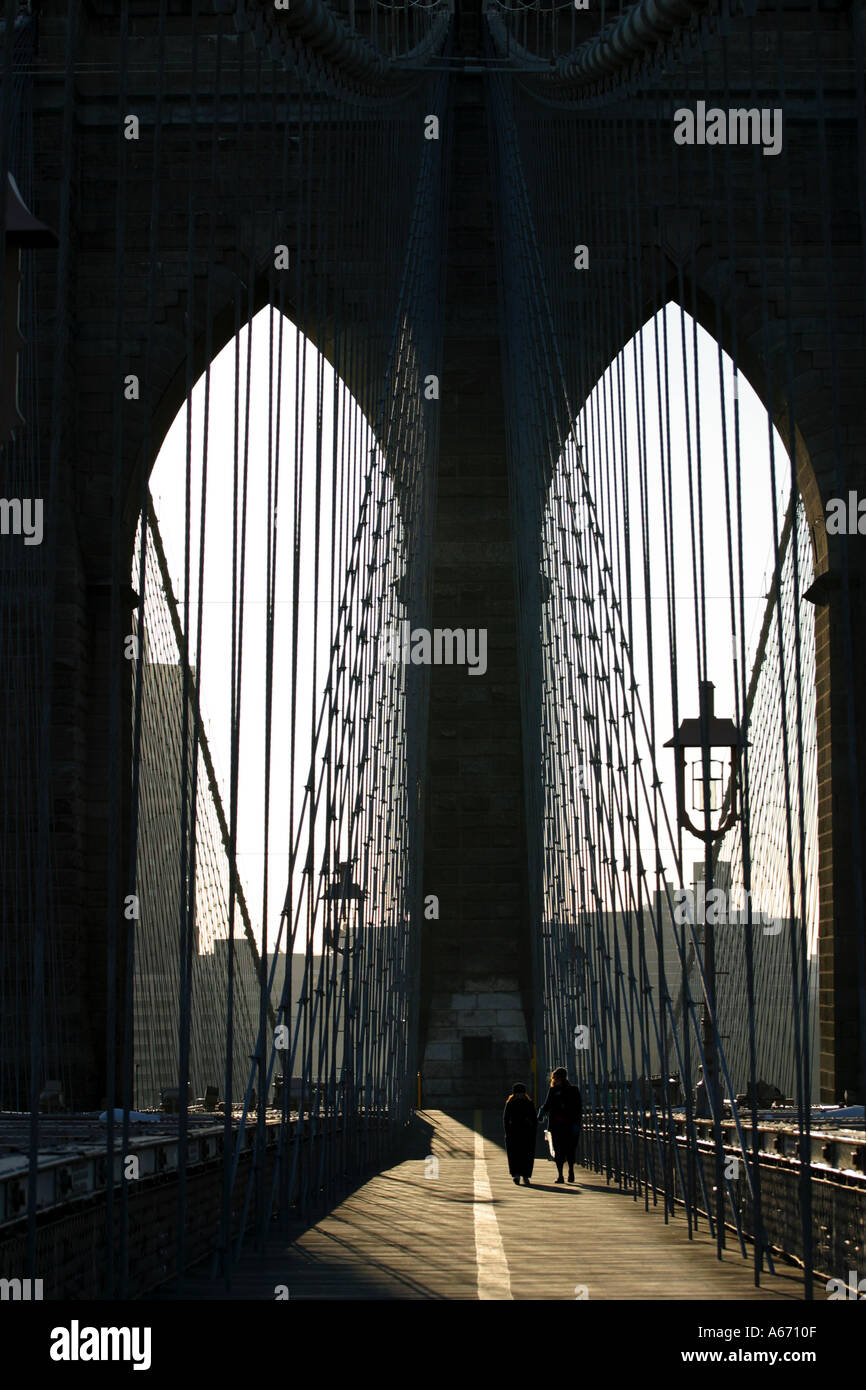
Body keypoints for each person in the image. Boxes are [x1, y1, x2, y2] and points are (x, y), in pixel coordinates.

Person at [538, 1066, 582, 1184]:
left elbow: (547, 1105)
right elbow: (578, 1108)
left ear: (558, 1078)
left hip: (562, 1126)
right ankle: (566, 1173)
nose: (554, 1080)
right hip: (564, 1126)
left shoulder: (561, 1090)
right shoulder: (570, 1090)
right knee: (565, 1150)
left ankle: (565, 1174)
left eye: (555, 1078)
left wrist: (540, 1115)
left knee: (563, 1150)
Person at [502, 1083, 537, 1186]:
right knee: (518, 1154)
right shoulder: (527, 1103)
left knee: (521, 1154)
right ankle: (518, 1174)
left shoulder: (512, 1103)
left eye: (521, 1093)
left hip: (522, 1133)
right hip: (516, 1133)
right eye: (518, 1093)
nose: (520, 1095)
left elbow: (506, 1119)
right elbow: (506, 1119)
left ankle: (524, 1175)